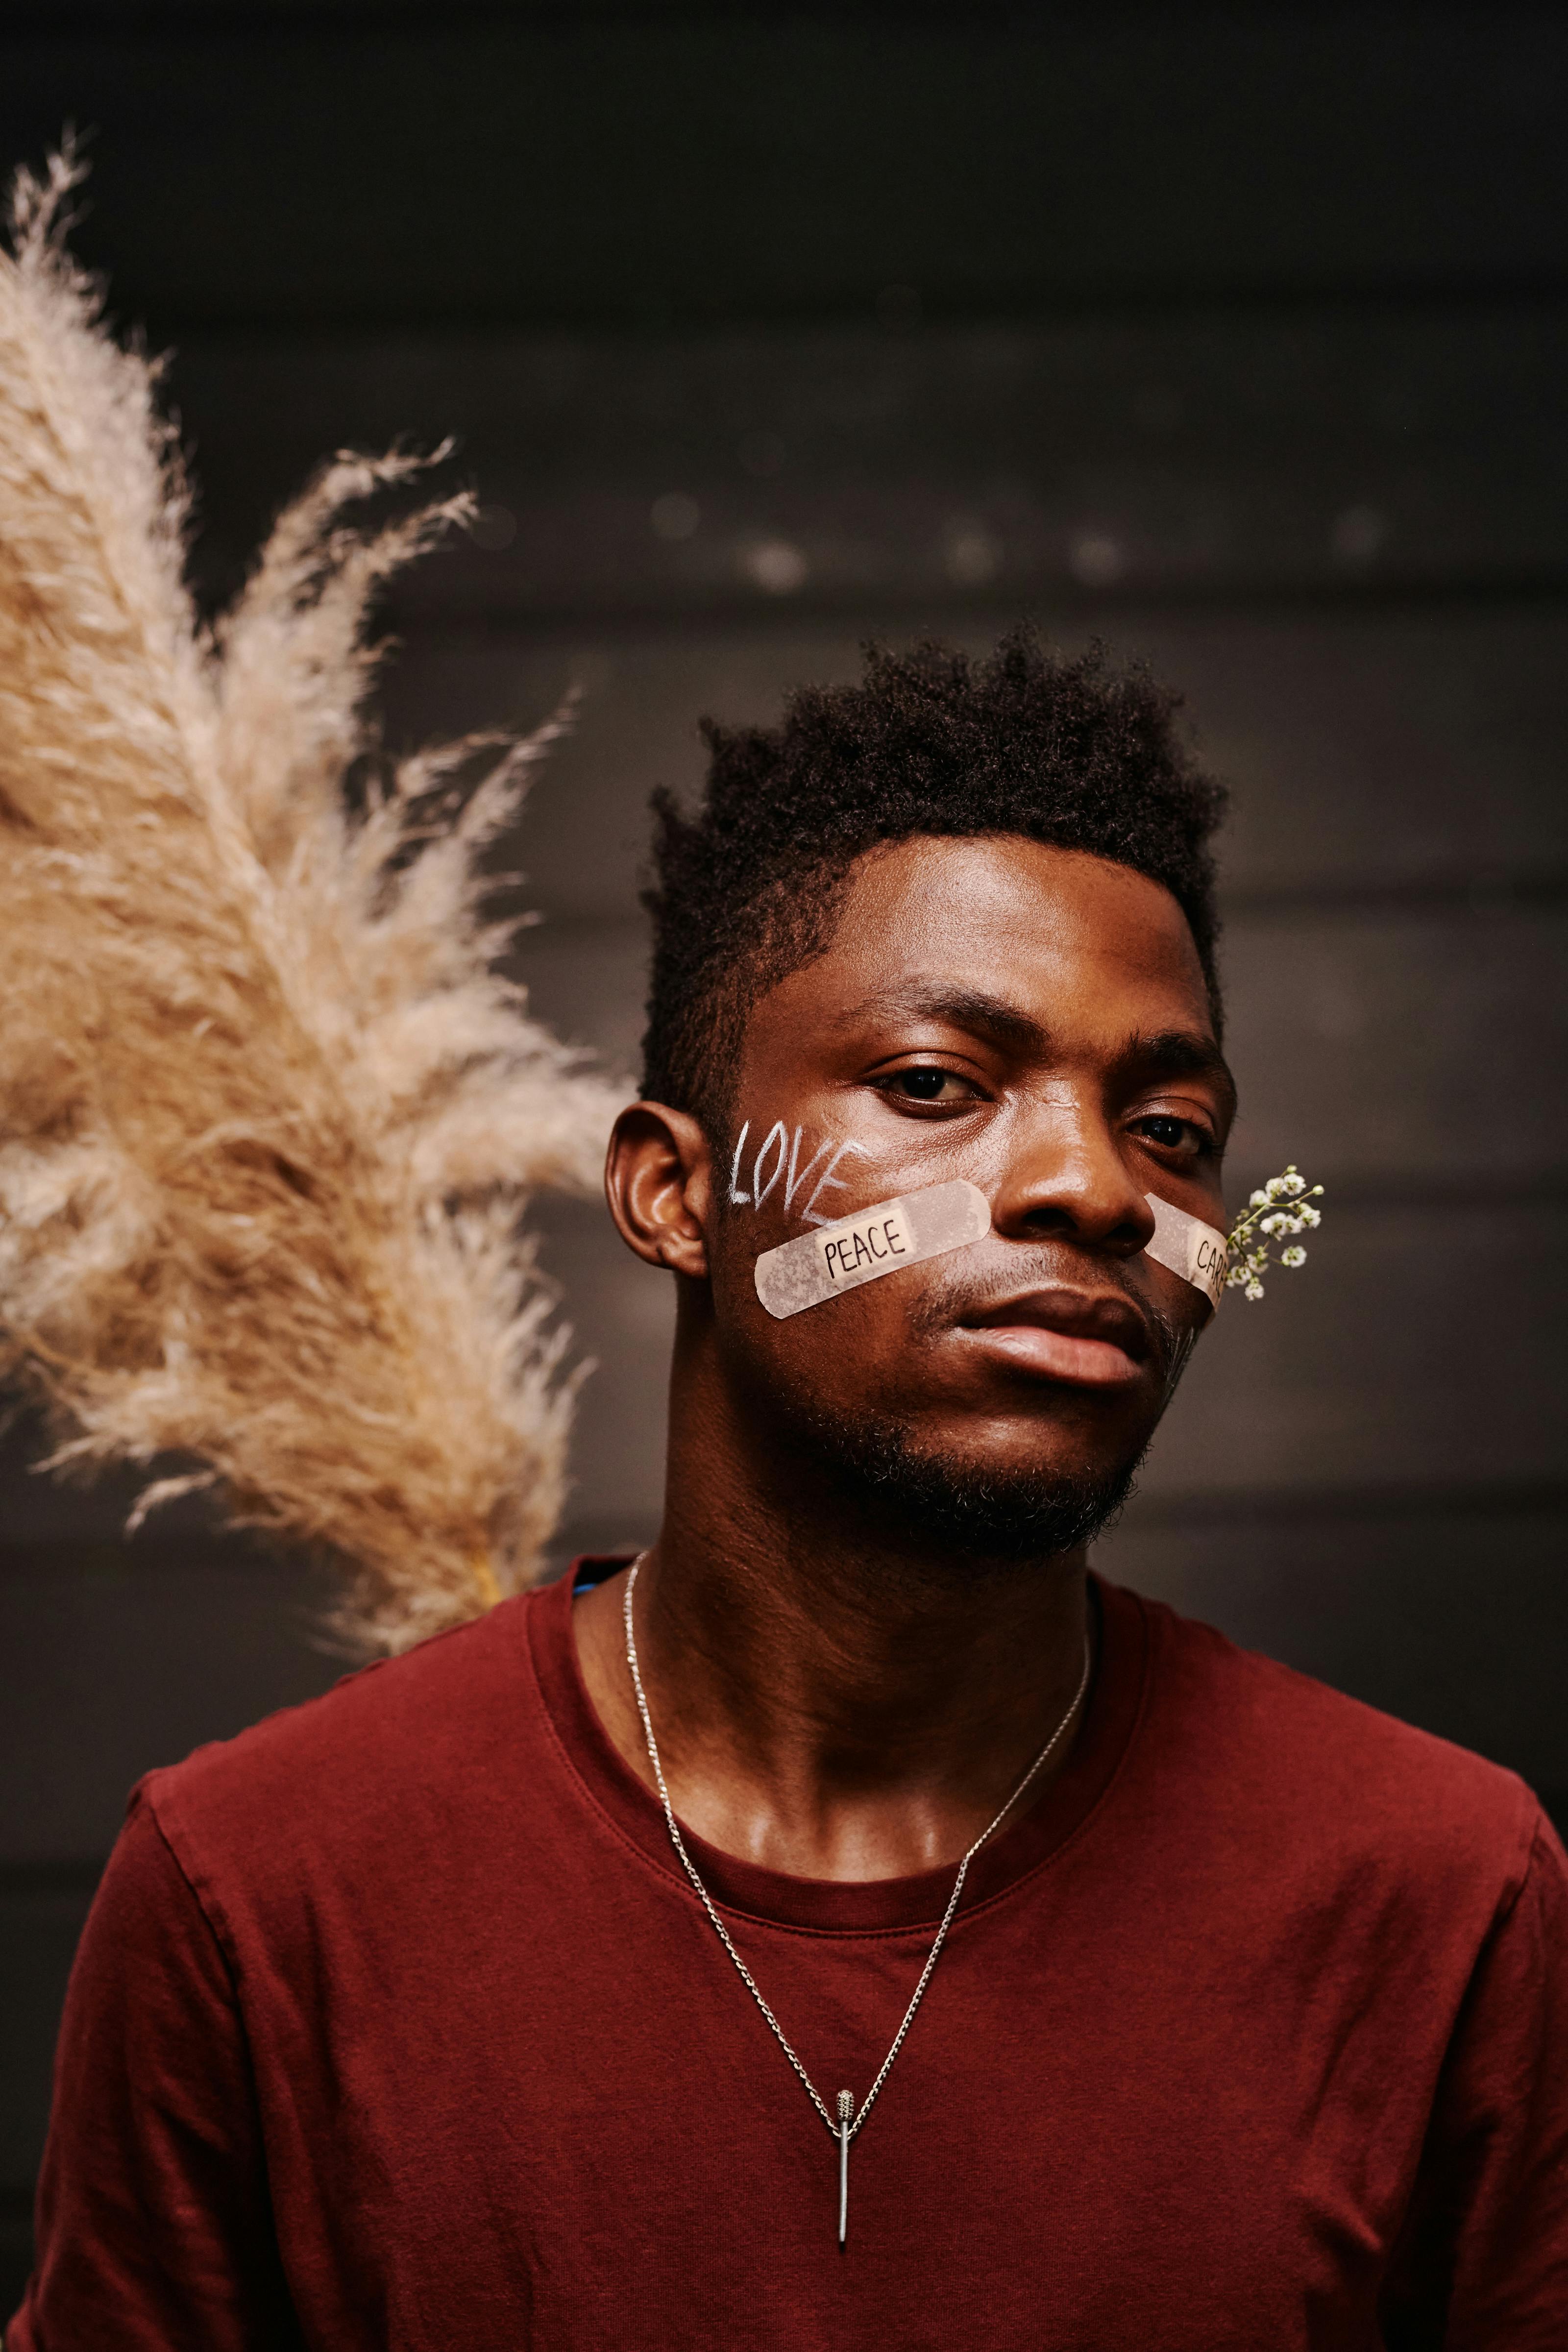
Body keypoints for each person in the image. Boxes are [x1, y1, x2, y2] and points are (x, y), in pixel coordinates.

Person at [12, 634, 1567, 2348]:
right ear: (677, 1196)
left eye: (1173, 1128)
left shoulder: (1436, 1891)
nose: (1095, 1187)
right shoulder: (259, 1897)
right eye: (933, 1087)